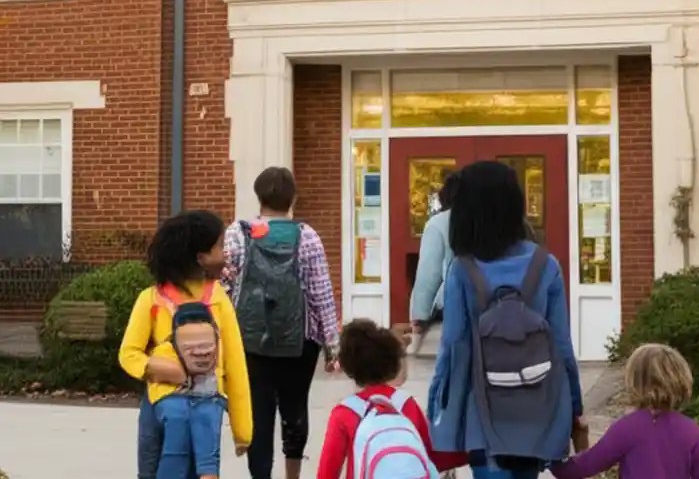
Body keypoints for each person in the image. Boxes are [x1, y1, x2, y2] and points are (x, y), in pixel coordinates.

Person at [428, 160, 584, 479]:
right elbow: (562, 347)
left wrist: (440, 410)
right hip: (536, 408)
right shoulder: (546, 265)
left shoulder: (462, 270)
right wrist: (573, 407)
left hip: (483, 416)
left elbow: (454, 351)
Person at [221, 166, 341, 479]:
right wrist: (332, 345)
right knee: (295, 408)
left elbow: (225, 285)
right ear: (293, 198)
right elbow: (320, 293)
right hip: (299, 341)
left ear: (258, 196)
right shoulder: (307, 235)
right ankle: (293, 475)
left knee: (258, 415)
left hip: (249, 339)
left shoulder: (238, 232)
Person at [119, 210, 253, 479]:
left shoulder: (210, 298)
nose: (225, 253)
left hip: (175, 405)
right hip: (186, 404)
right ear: (200, 258)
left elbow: (235, 364)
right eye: (219, 246)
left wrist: (243, 428)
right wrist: (243, 431)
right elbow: (128, 353)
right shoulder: (157, 299)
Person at [316, 320, 468, 479]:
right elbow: (434, 457)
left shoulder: (344, 414)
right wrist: (471, 450)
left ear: (349, 367)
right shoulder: (405, 404)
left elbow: (327, 473)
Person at [550, 344, 699, 479]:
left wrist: (549, 452)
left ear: (635, 381)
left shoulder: (627, 428)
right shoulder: (691, 431)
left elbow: (580, 468)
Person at [410, 172, 460, 338]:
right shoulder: (488, 220)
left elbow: (428, 275)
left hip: (450, 311)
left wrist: (420, 316)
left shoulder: (439, 224)